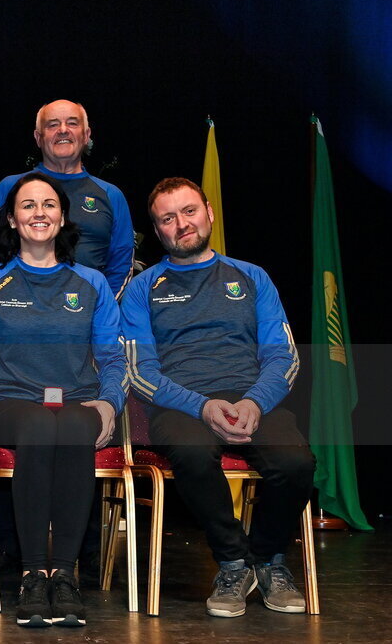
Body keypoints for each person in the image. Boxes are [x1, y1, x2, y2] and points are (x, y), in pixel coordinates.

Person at [0, 172, 127, 628]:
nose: (39, 213)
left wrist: (109, 403)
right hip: (5, 404)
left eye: (49, 205)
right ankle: (33, 574)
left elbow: (113, 359)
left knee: (76, 424)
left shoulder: (91, 282)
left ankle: (65, 576)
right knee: (39, 423)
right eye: (28, 205)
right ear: (13, 220)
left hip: (75, 403)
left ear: (62, 217)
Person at [120, 177, 314, 618]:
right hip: (179, 404)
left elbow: (283, 356)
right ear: (157, 229)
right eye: (168, 218)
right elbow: (139, 372)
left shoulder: (252, 277)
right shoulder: (142, 287)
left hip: (253, 399)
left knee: (296, 463)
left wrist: (254, 403)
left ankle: (266, 559)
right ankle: (231, 562)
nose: (181, 224)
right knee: (190, 452)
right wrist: (201, 406)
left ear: (208, 212)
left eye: (189, 211)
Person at [0, 100, 133, 297]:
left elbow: (122, 263)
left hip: (89, 316)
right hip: (18, 311)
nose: (63, 130)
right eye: (52, 124)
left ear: (86, 135)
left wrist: (101, 309)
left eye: (72, 123)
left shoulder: (111, 194)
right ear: (38, 137)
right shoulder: (10, 188)